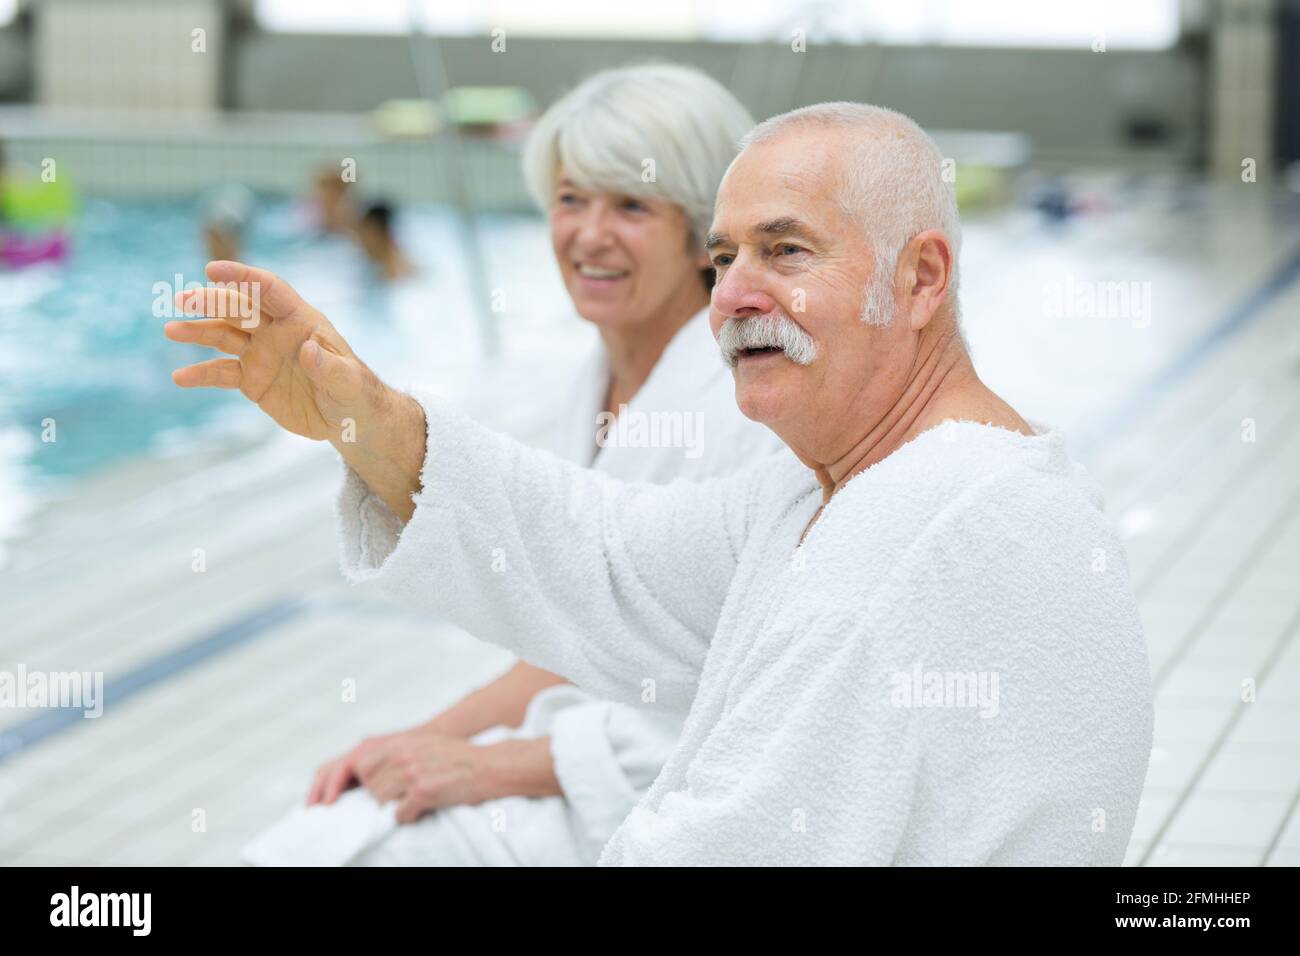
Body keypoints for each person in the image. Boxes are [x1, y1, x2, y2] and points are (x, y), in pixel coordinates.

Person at [166, 102, 1154, 865]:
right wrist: (365, 418)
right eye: (725, 258)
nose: (730, 295)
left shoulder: (917, 537)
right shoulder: (844, 485)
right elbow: (609, 556)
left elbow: (719, 844)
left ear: (920, 279)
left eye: (785, 249)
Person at [235, 64, 779, 866]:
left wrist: (490, 766)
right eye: (570, 200)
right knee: (312, 835)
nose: (589, 235)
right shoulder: (589, 387)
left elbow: (749, 701)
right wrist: (417, 740)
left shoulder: (749, 407)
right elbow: (569, 634)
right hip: (577, 761)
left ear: (706, 231)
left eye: (630, 204)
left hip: (659, 803)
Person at [355, 201, 417, 282]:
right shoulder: (380, 267)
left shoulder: (394, 273)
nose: (361, 241)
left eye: (366, 234)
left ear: (382, 234)